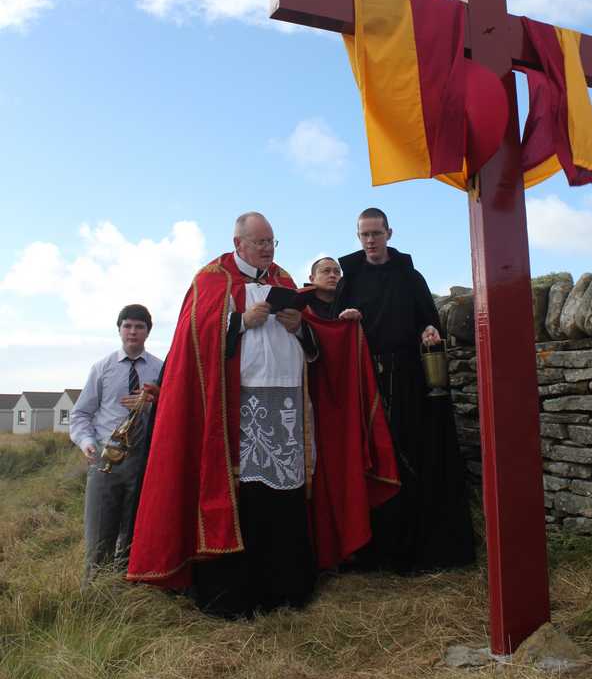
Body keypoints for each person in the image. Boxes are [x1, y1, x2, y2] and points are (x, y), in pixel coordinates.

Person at [127, 212, 399, 617]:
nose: (268, 250)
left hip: (286, 405)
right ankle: (236, 597)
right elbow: (192, 344)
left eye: (272, 242)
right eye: (260, 243)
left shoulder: (285, 280)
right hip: (236, 413)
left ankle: (286, 590)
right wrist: (239, 321)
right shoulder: (211, 280)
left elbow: (313, 345)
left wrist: (298, 326)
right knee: (245, 499)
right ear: (238, 243)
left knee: (283, 502)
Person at [334, 207, 475, 573]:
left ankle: (411, 549)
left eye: (376, 234)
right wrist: (345, 320)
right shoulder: (349, 279)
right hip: (366, 382)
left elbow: (425, 318)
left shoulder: (409, 276)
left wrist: (428, 329)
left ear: (389, 233)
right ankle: (372, 551)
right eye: (364, 234)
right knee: (372, 460)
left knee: (409, 458)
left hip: (407, 379)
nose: (369, 241)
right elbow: (334, 323)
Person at [69, 304, 162, 584]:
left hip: (144, 461)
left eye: (139, 326)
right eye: (128, 326)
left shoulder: (160, 369)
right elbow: (81, 414)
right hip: (105, 460)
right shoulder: (102, 368)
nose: (133, 332)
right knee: (100, 530)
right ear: (119, 329)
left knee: (135, 531)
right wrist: (86, 442)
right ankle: (95, 591)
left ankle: (129, 588)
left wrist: (152, 403)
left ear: (148, 331)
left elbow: (172, 412)